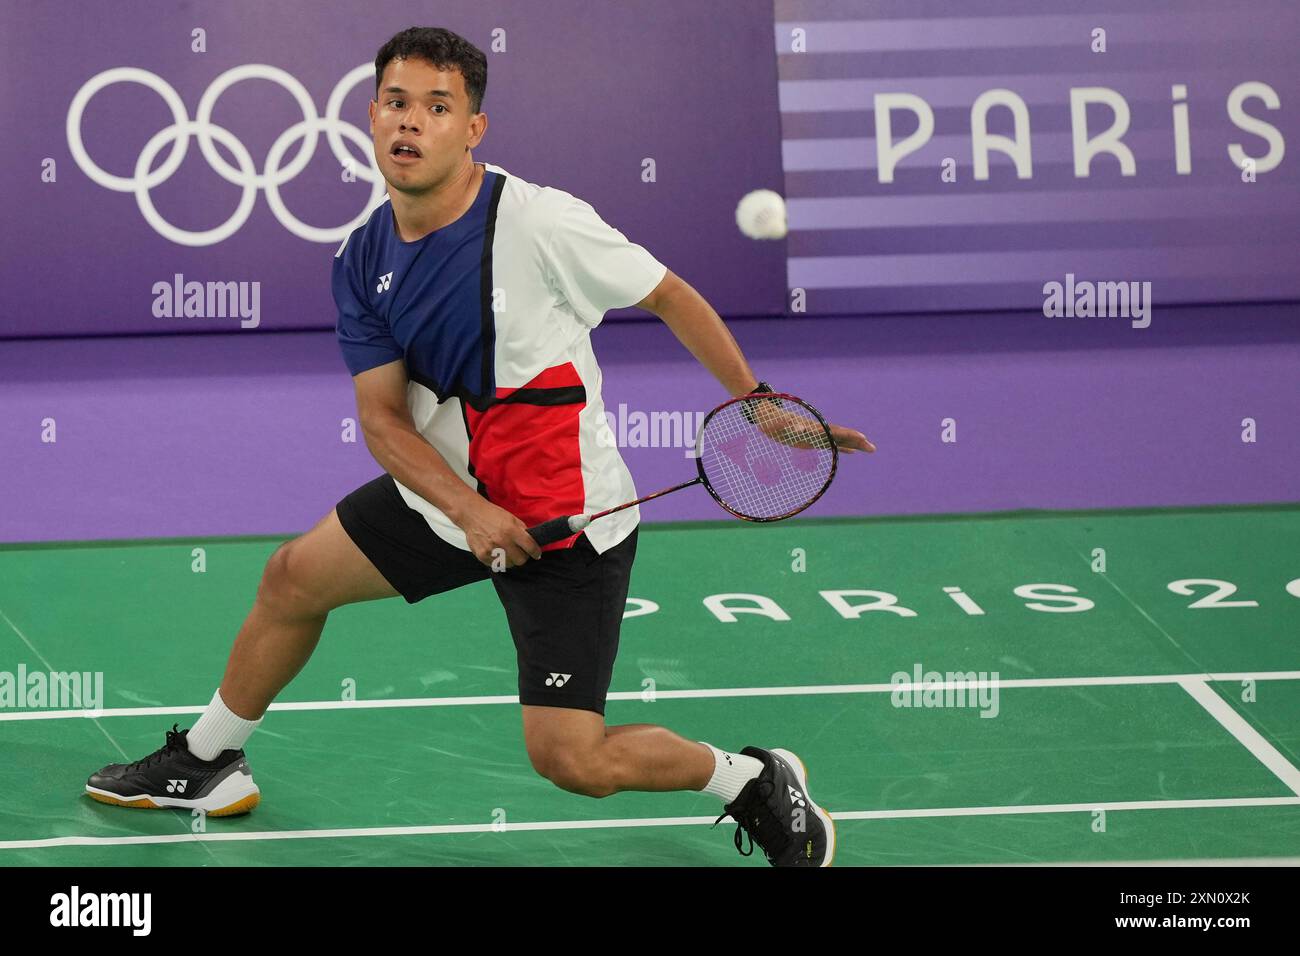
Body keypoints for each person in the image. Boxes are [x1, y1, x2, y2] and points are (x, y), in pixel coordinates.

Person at [85, 26, 874, 867]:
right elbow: (385, 421)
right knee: (291, 579)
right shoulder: (363, 258)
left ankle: (749, 778)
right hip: (451, 498)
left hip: (563, 523)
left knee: (574, 761)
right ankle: (207, 762)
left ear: (473, 128)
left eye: (437, 106)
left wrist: (757, 405)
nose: (410, 123)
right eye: (396, 102)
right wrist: (467, 512)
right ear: (370, 114)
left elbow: (670, 294)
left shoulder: (541, 223)